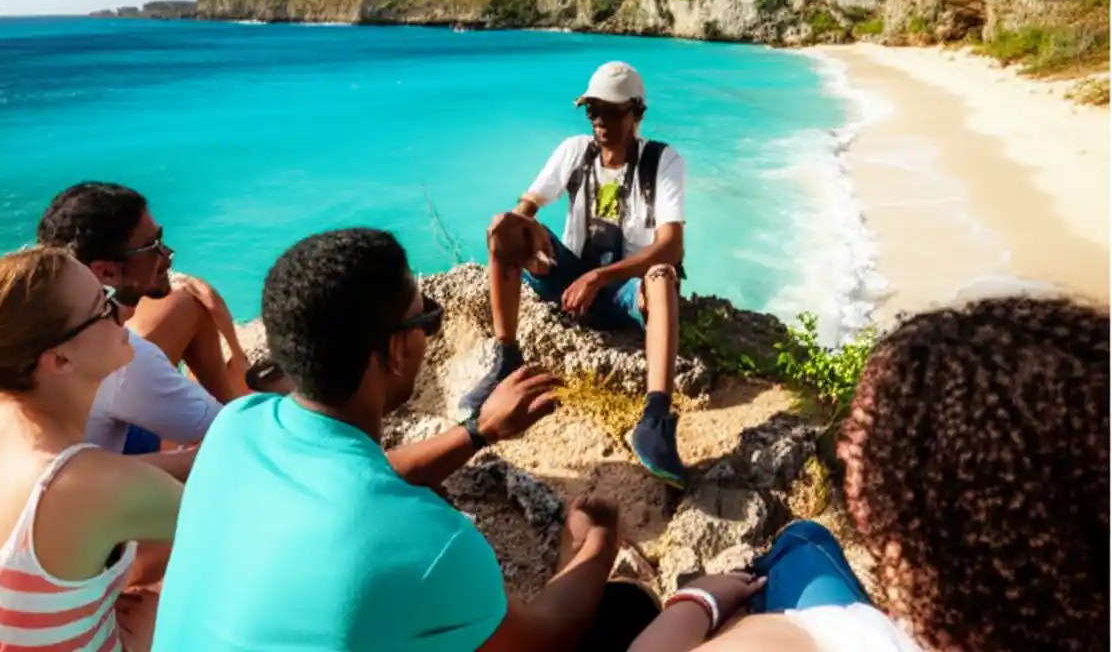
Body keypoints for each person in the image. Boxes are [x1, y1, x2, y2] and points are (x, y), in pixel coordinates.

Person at [154, 228, 628, 651]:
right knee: (625, 610)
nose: (427, 335)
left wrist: (477, 431)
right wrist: (598, 538)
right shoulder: (429, 543)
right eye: (426, 321)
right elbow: (547, 635)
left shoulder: (238, 425)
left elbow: (357, 482)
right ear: (397, 349)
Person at [627, 295, 1109, 652]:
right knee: (806, 538)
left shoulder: (816, 641)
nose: (847, 447)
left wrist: (699, 601)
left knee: (803, 542)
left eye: (865, 433)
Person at [0, 247, 188, 651]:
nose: (123, 310)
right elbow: (243, 525)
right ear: (58, 360)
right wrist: (163, 628)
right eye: (102, 304)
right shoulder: (88, 484)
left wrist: (187, 460)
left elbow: (95, 486)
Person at [462, 61, 690, 487]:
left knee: (660, 273)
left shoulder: (663, 161)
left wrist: (601, 278)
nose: (600, 121)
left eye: (611, 111)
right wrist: (527, 235)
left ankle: (655, 417)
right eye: (592, 111)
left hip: (625, 292)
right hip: (568, 282)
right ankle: (506, 357)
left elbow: (671, 244)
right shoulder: (574, 152)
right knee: (501, 227)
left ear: (637, 112)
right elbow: (526, 207)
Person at [37, 182, 258, 454]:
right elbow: (234, 436)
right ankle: (227, 400)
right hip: (110, 480)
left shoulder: (36, 321)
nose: (167, 254)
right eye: (152, 245)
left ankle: (226, 396)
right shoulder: (123, 359)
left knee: (187, 304)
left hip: (78, 451)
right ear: (106, 273)